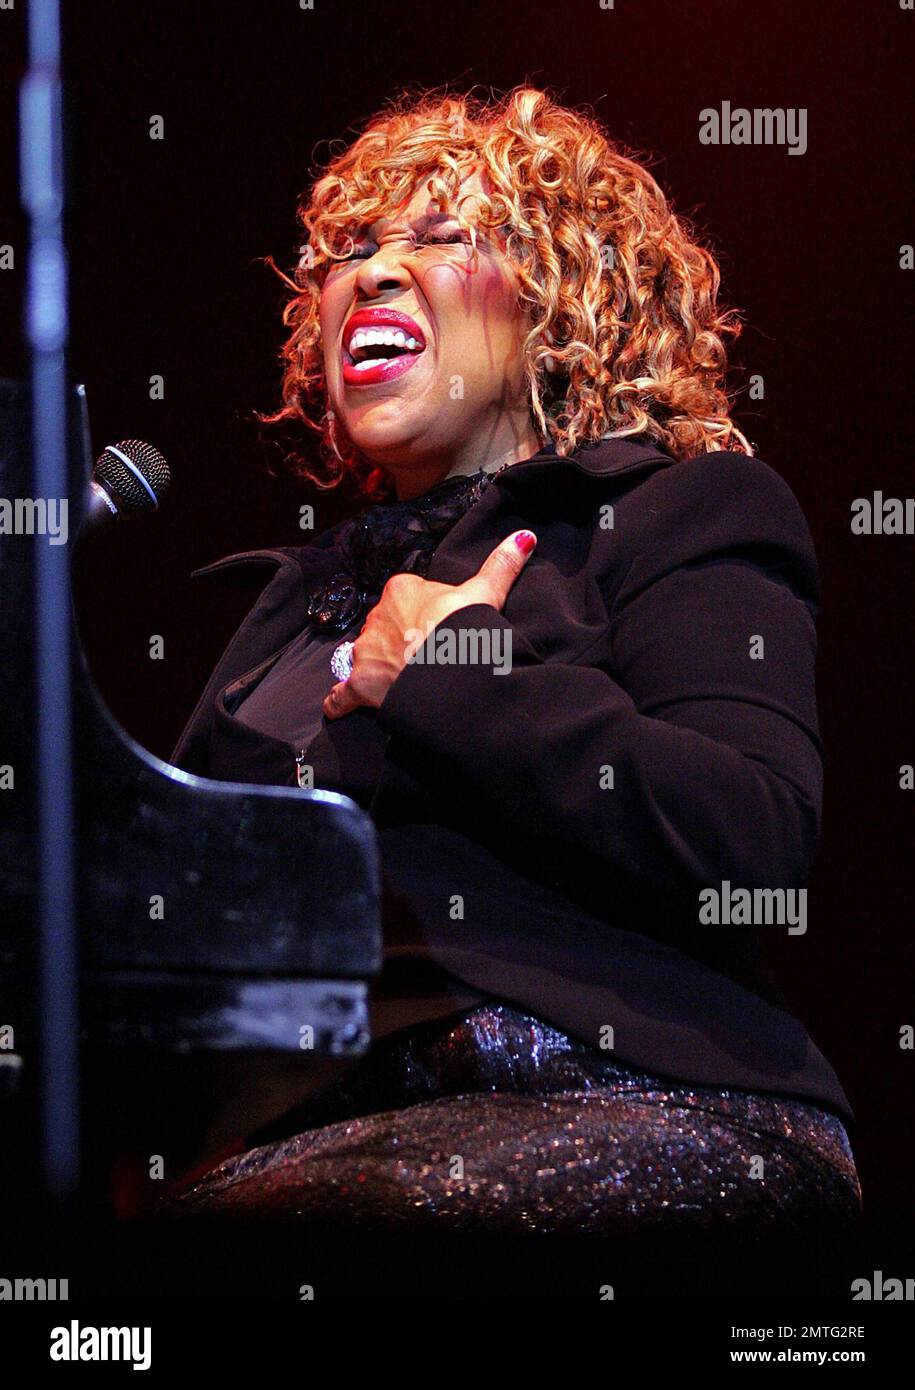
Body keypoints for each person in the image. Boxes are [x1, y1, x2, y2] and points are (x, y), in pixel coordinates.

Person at [165, 86, 861, 1235]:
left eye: (444, 239)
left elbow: (757, 845)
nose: (373, 274)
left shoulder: (678, 510)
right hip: (310, 1143)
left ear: (563, 302)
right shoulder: (291, 608)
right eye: (349, 251)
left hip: (628, 1102)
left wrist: (460, 673)